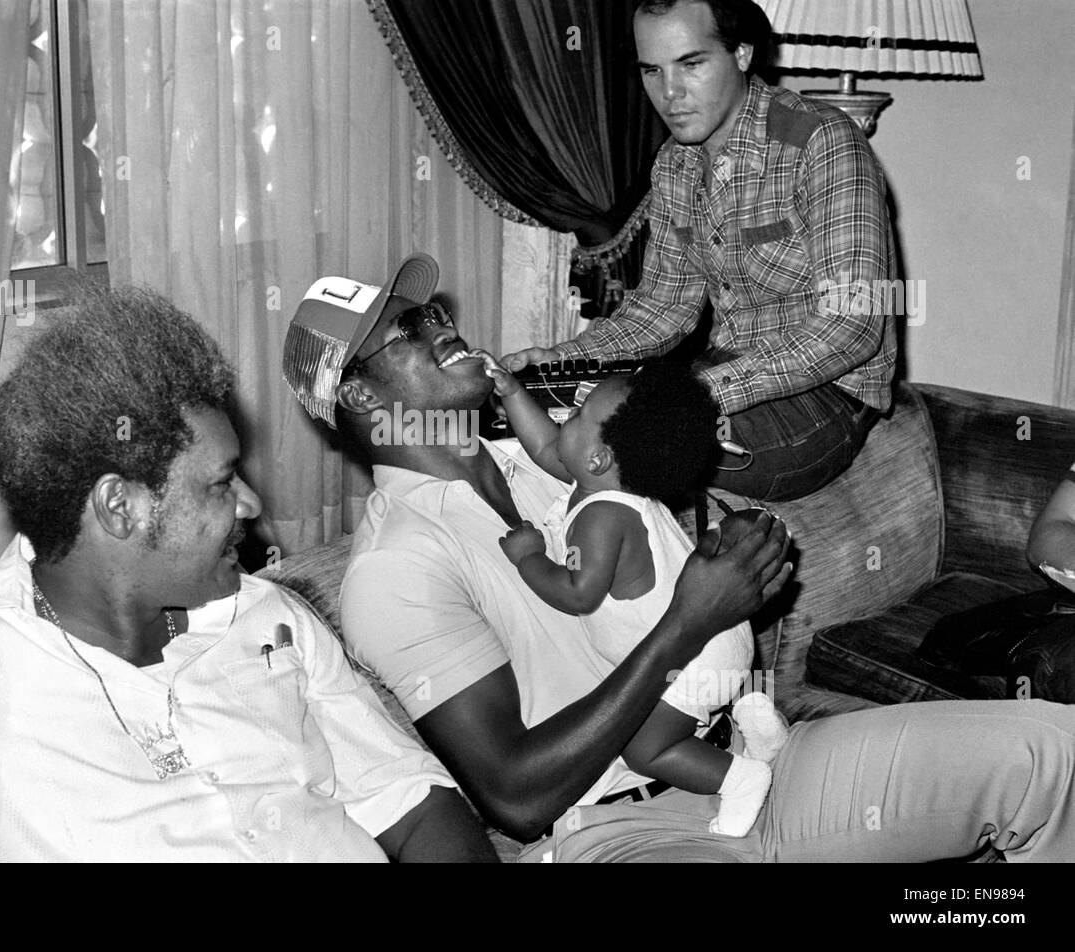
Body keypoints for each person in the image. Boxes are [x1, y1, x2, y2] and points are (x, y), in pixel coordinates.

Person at [283, 253, 1075, 862]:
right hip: (621, 830)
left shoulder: (546, 456)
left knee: (1047, 749)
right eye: (409, 330)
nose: (440, 325)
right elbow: (517, 796)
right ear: (355, 396)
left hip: (751, 763)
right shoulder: (396, 566)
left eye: (432, 311)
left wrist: (723, 560)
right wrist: (690, 623)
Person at [0, 283, 496, 863]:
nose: (251, 503)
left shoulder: (272, 619)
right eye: (219, 483)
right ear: (120, 507)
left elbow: (415, 805)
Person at [503, 0, 896, 502]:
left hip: (828, 396)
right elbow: (662, 308)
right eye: (652, 70)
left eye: (692, 64)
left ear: (743, 53)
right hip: (716, 372)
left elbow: (852, 326)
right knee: (526, 413)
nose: (669, 93)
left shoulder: (823, 143)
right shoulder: (674, 164)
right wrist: (563, 358)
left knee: (615, 450)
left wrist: (699, 396)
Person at [485, 356, 789, 835]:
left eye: (580, 414)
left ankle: (739, 778)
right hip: (723, 639)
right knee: (697, 705)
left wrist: (528, 558)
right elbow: (546, 444)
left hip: (693, 657)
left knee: (645, 748)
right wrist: (511, 392)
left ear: (598, 459)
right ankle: (755, 718)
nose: (567, 415)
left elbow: (578, 592)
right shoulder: (616, 488)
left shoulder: (598, 520)